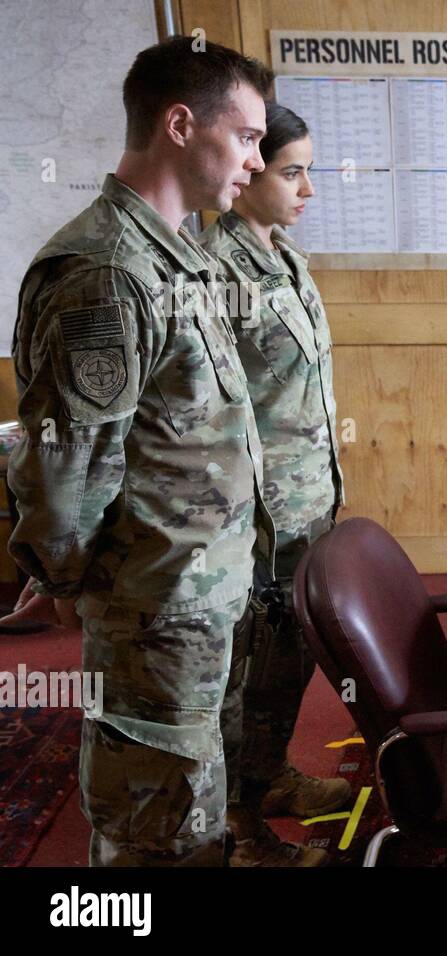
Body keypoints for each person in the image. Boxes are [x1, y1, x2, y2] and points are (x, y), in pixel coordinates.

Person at [6, 37, 275, 865]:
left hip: (200, 598)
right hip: (151, 612)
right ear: (183, 124)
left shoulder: (180, 253)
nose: (257, 163)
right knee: (152, 839)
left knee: (193, 814)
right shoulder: (105, 271)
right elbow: (65, 467)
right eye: (250, 137)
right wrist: (61, 581)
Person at [200, 103, 347, 866]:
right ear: (251, 173)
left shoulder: (282, 256)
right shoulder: (215, 272)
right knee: (245, 672)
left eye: (307, 171)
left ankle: (269, 777)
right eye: (293, 172)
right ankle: (241, 829)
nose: (307, 189)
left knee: (292, 658)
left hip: (306, 505)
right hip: (255, 516)